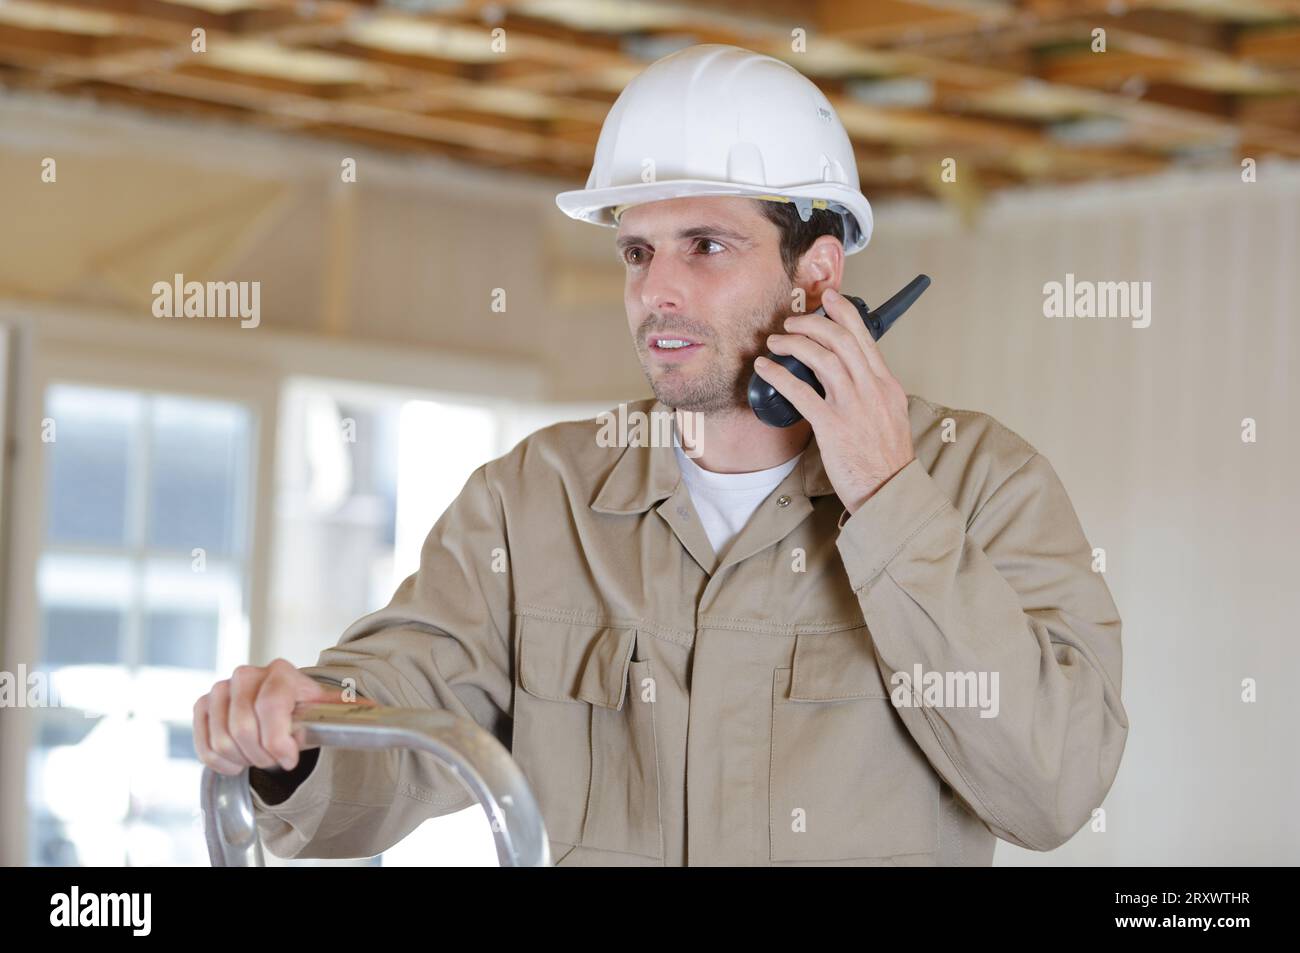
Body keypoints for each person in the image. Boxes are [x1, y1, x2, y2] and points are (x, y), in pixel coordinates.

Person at [193, 43, 1128, 866]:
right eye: (637, 253)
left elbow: (1052, 791)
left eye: (706, 246)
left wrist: (888, 498)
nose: (658, 292)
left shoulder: (982, 484)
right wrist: (305, 726)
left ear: (818, 274)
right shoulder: (536, 499)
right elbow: (410, 695)